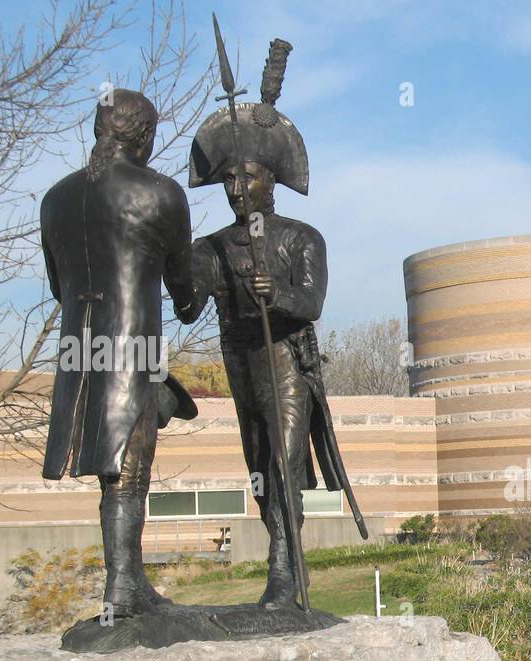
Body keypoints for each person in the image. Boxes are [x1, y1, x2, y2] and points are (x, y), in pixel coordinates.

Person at [180, 42, 347, 608]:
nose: (234, 189)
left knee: (284, 462)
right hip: (240, 363)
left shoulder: (301, 237)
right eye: (227, 180)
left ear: (268, 180)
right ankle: (287, 568)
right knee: (257, 466)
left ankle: (283, 575)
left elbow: (311, 301)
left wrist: (278, 295)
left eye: (245, 179)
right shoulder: (211, 246)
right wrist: (171, 261)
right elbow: (187, 304)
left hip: (286, 363)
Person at [40, 89, 198, 617]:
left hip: (79, 348)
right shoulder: (161, 193)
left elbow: (59, 286)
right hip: (132, 346)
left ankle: (126, 580)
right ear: (146, 136)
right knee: (130, 468)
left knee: (114, 473)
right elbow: (186, 293)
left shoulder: (55, 198)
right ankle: (123, 587)